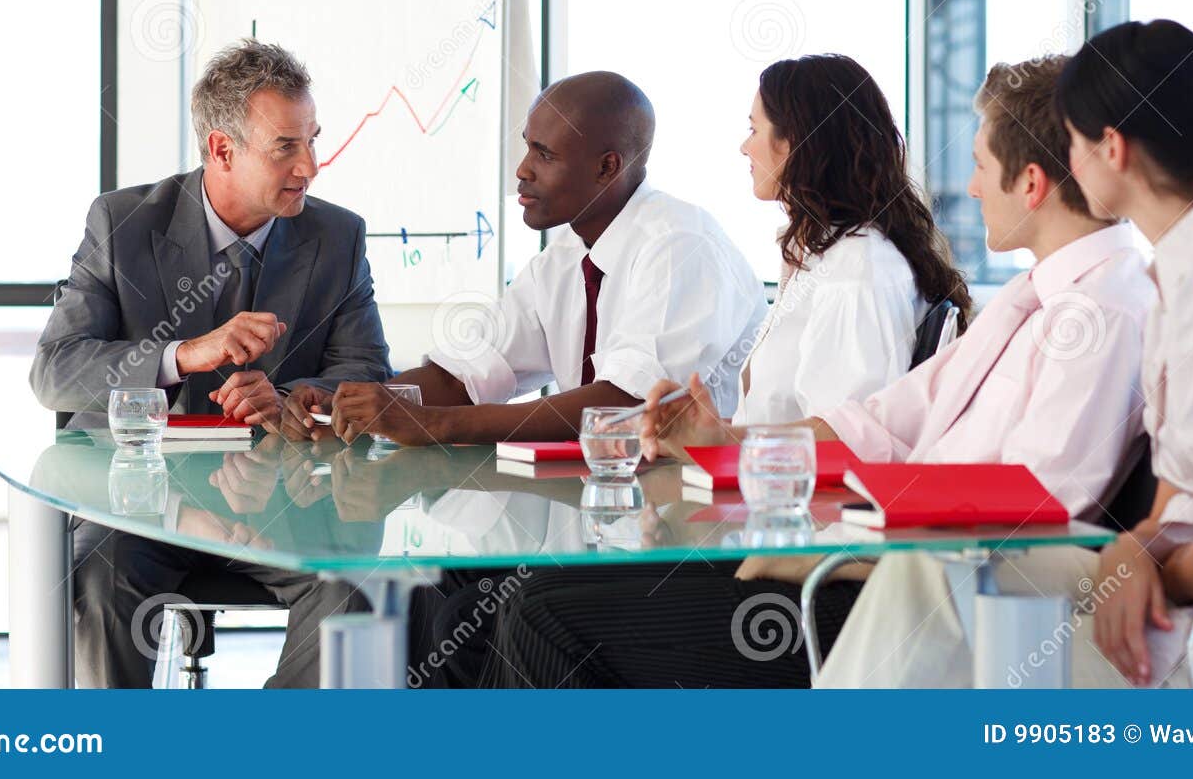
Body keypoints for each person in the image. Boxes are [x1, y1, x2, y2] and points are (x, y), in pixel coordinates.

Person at [484, 55, 1155, 688]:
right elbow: (887, 422)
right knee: (528, 598)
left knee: (544, 614)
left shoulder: (1101, 311)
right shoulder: (1030, 296)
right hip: (873, 557)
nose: (972, 185)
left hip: (897, 591)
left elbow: (1035, 503)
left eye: (980, 165)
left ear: (1031, 184)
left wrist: (848, 537)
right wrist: (733, 447)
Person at [823, 19, 1193, 689]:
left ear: (1111, 147)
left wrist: (1137, 566)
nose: (1067, 166)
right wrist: (1136, 547)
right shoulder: (1184, 273)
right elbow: (1174, 506)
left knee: (945, 587)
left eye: (1072, 142)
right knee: (946, 568)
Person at [30, 39, 392, 687]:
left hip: (288, 503)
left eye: (313, 138)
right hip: (142, 500)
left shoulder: (338, 237)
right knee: (92, 579)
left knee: (359, 589)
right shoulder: (123, 224)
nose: (311, 164)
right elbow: (55, 369)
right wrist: (182, 355)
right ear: (222, 150)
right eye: (287, 145)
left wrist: (289, 401)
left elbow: (367, 379)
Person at [324, 70, 765, 446]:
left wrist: (437, 424)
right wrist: (353, 404)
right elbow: (465, 375)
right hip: (604, 503)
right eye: (527, 146)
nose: (522, 169)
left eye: (544, 154)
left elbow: (625, 405)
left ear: (607, 168)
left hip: (690, 519)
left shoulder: (680, 246)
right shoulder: (565, 258)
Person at [731, 54, 970, 427]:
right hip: (777, 478)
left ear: (794, 142)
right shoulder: (824, 253)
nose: (744, 147)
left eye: (754, 130)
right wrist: (705, 433)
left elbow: (846, 439)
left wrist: (718, 441)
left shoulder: (857, 266)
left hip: (804, 484)